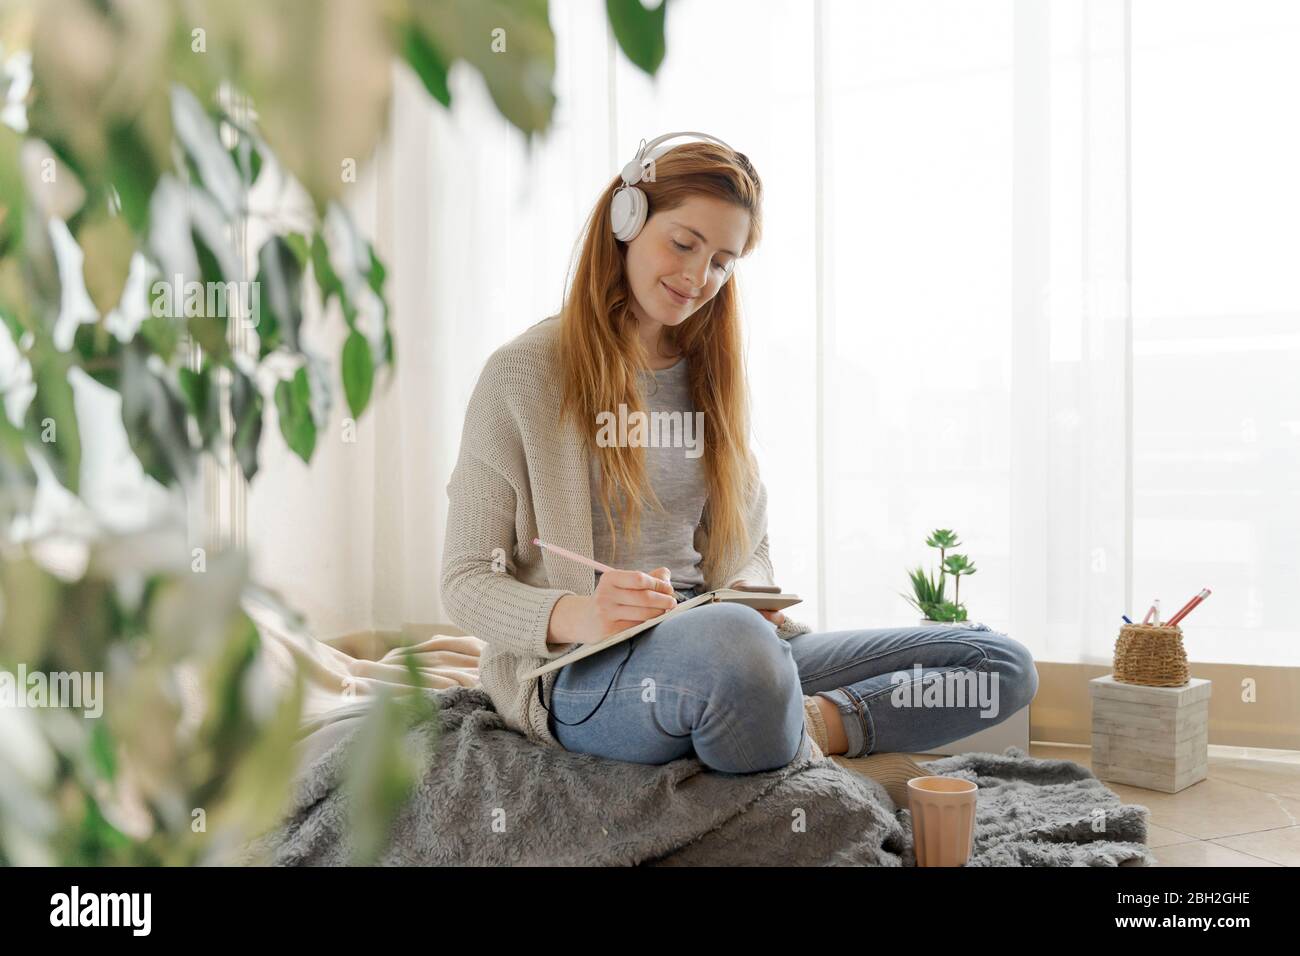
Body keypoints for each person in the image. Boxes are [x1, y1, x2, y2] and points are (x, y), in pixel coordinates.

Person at [440, 133, 1039, 790]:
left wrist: (751, 597)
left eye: (723, 260)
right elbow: (466, 579)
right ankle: (768, 714)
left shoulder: (710, 376)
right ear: (626, 222)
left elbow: (749, 548)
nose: (700, 278)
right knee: (735, 646)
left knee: (998, 664)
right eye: (685, 243)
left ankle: (808, 725)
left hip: (732, 647)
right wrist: (582, 614)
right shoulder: (521, 375)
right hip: (588, 669)